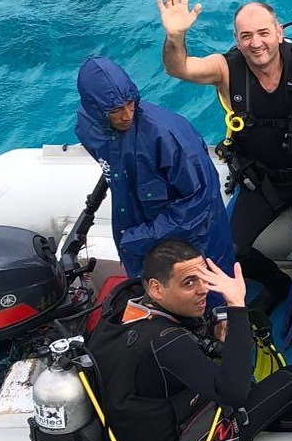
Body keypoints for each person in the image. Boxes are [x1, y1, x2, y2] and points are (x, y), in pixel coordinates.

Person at [157, 0, 292, 323]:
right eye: (246, 36)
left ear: (280, 33)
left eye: (264, 33)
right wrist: (175, 35)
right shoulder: (225, 70)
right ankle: (277, 282)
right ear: (237, 40)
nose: (256, 43)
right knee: (225, 249)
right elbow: (178, 68)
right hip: (263, 179)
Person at [86, 239, 292, 441]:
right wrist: (237, 306)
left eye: (203, 278)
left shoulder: (122, 304)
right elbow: (234, 393)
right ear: (156, 288)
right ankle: (287, 427)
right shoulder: (168, 343)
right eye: (188, 283)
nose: (203, 290)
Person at [75, 55, 233, 279]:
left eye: (130, 104)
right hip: (135, 229)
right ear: (96, 112)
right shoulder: (88, 129)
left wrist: (142, 237)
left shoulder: (167, 136)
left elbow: (200, 199)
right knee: (150, 293)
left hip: (195, 236)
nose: (127, 115)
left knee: (205, 297)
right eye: (116, 111)